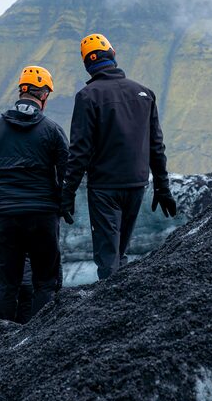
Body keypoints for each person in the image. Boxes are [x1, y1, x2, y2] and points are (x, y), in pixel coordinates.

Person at [61, 33, 177, 280]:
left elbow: (79, 151)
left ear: (87, 65)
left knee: (107, 256)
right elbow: (156, 145)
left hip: (104, 189)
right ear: (113, 55)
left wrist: (67, 193)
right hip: (136, 185)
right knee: (120, 253)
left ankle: (109, 311)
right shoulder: (144, 93)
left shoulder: (87, 97)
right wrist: (162, 187)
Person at [0, 65, 68, 322]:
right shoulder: (52, 130)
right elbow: (67, 173)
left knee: (7, 284)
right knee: (45, 283)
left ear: (21, 92)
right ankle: (39, 342)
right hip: (43, 215)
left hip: (6, 216)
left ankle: (2, 345)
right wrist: (60, 206)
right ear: (44, 95)